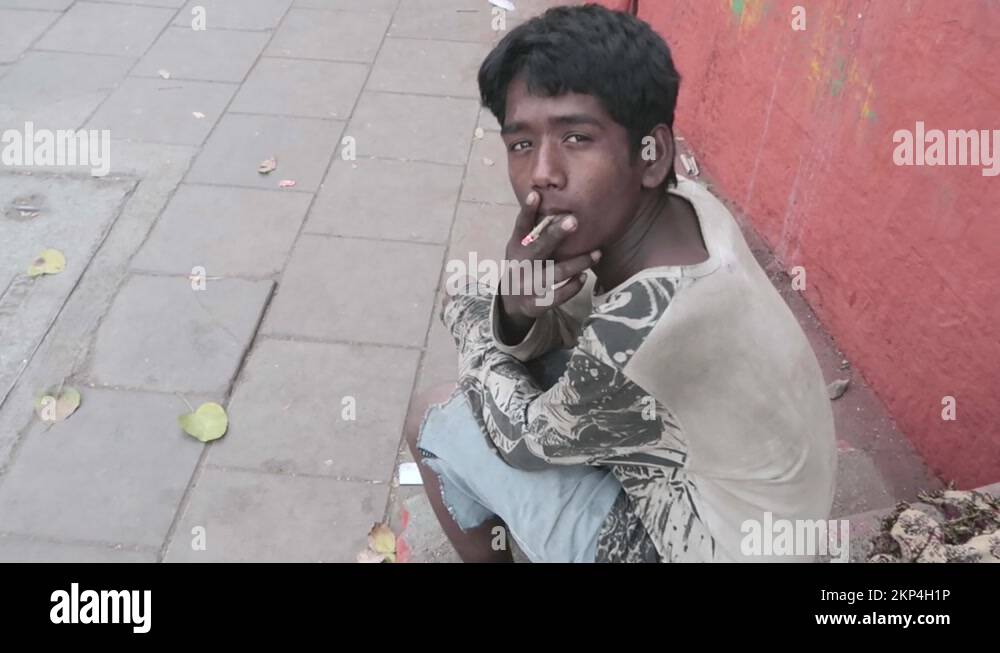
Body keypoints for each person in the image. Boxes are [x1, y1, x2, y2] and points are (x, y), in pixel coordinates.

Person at [403, 4, 836, 563]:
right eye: (521, 144)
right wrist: (515, 307)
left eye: (577, 138)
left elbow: (525, 441)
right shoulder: (685, 206)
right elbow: (572, 323)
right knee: (528, 361)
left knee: (433, 411)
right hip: (756, 506)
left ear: (651, 155)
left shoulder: (650, 327)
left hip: (712, 543)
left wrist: (474, 309)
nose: (542, 172)